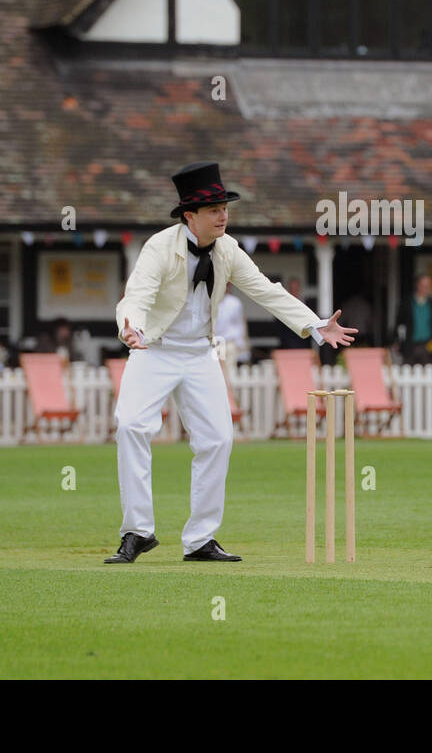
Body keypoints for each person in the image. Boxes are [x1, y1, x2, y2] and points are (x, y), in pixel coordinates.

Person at [109, 161, 357, 564]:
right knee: (131, 426)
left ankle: (200, 540)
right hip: (152, 349)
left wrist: (315, 325)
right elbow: (137, 293)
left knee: (219, 440)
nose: (223, 215)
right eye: (213, 210)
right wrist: (130, 326)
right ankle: (138, 531)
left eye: (225, 207)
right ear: (189, 216)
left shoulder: (228, 249)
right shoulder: (159, 247)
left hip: (200, 354)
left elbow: (266, 290)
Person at [394, 274, 432, 365]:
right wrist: (396, 341)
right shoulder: (407, 303)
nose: (426, 288)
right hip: (410, 345)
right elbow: (399, 323)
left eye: (428, 286)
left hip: (429, 345)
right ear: (417, 285)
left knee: (429, 372)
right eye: (424, 285)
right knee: (408, 372)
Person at [214, 283, 250, 367]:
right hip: (217, 342)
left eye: (227, 286)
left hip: (230, 342)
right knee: (218, 371)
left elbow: (240, 323)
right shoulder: (212, 301)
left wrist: (240, 343)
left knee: (230, 370)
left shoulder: (235, 302)